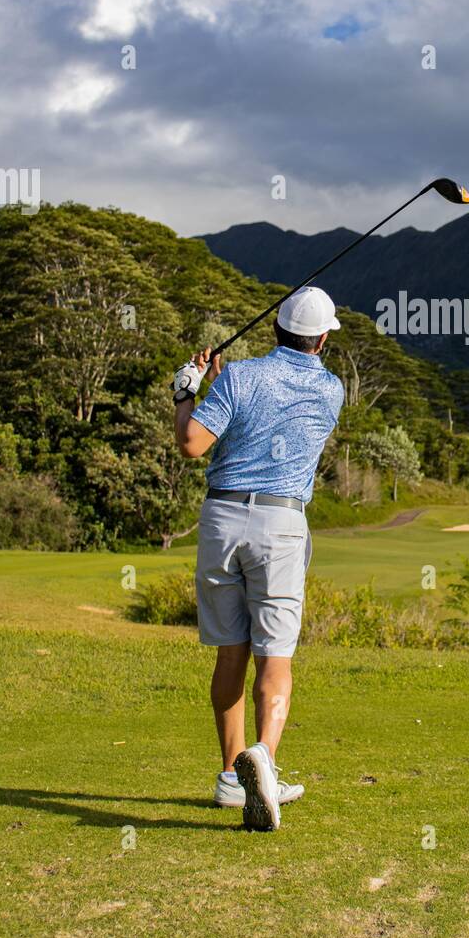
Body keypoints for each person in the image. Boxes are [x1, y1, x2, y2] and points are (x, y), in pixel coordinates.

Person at [172, 285, 344, 831]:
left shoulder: (242, 378)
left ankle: (231, 774)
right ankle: (264, 762)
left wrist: (186, 392)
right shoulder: (331, 390)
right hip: (280, 524)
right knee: (276, 657)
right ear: (321, 339)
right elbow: (277, 422)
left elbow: (193, 444)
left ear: (275, 329)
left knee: (231, 653)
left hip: (223, 521)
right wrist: (225, 386)